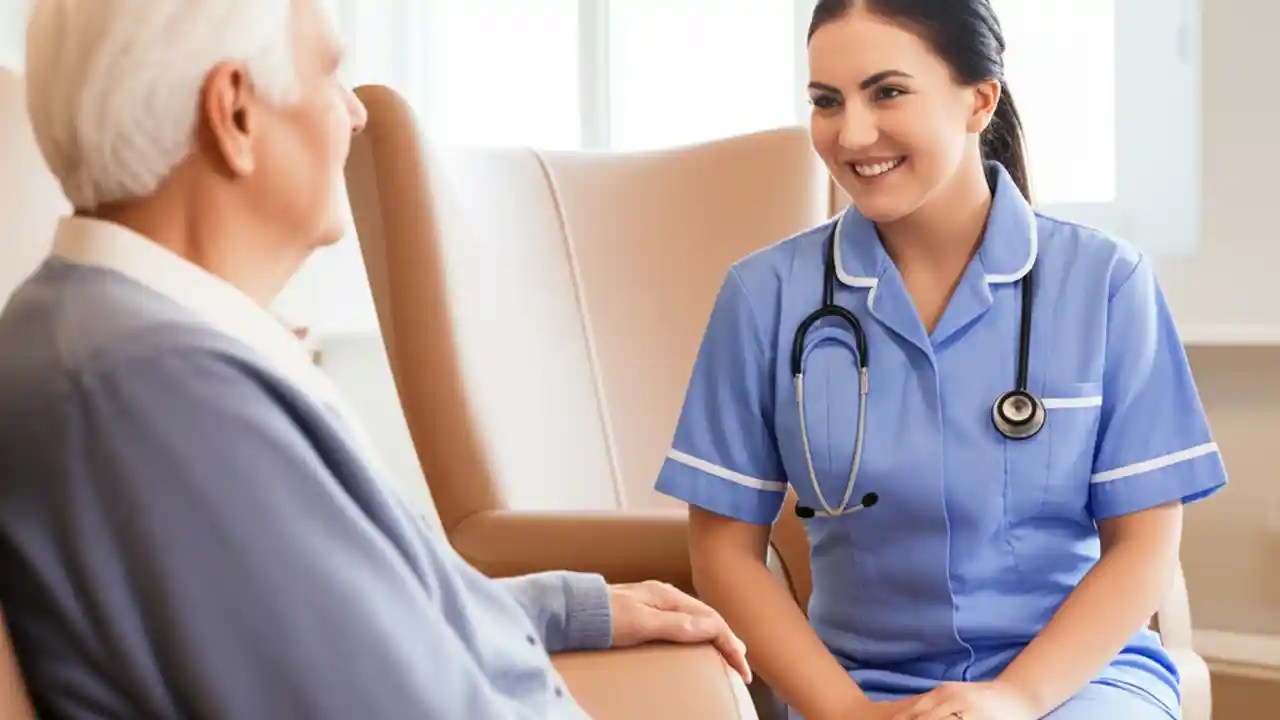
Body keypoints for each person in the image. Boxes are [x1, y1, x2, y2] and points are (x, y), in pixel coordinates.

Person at [0, 1, 750, 718]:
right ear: (235, 113)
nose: (354, 113)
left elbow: (337, 616)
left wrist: (570, 605)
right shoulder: (156, 393)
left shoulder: (111, 338)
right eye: (329, 75)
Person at [654, 2, 1227, 719]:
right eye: (827, 101)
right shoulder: (763, 296)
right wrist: (849, 712)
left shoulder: (1105, 282)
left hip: (1076, 678)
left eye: (887, 91)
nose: (852, 133)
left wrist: (1016, 698)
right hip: (856, 685)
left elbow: (1144, 543)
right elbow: (725, 553)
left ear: (979, 100)